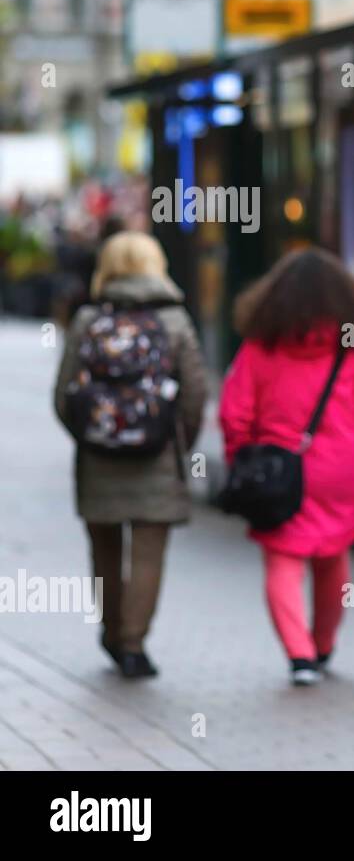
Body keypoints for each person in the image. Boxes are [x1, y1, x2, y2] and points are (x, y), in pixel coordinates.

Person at [219, 248, 354, 686]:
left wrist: (241, 455)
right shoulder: (352, 352)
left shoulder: (260, 348)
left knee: (283, 561)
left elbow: (233, 412)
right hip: (337, 475)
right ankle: (322, 645)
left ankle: (299, 655)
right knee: (332, 560)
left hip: (279, 474)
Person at [53, 232, 207, 678]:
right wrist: (179, 443)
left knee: (104, 547)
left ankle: (111, 631)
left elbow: (64, 396)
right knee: (147, 551)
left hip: (98, 460)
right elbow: (195, 394)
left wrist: (91, 436)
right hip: (156, 458)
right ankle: (135, 643)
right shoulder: (175, 321)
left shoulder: (86, 319)